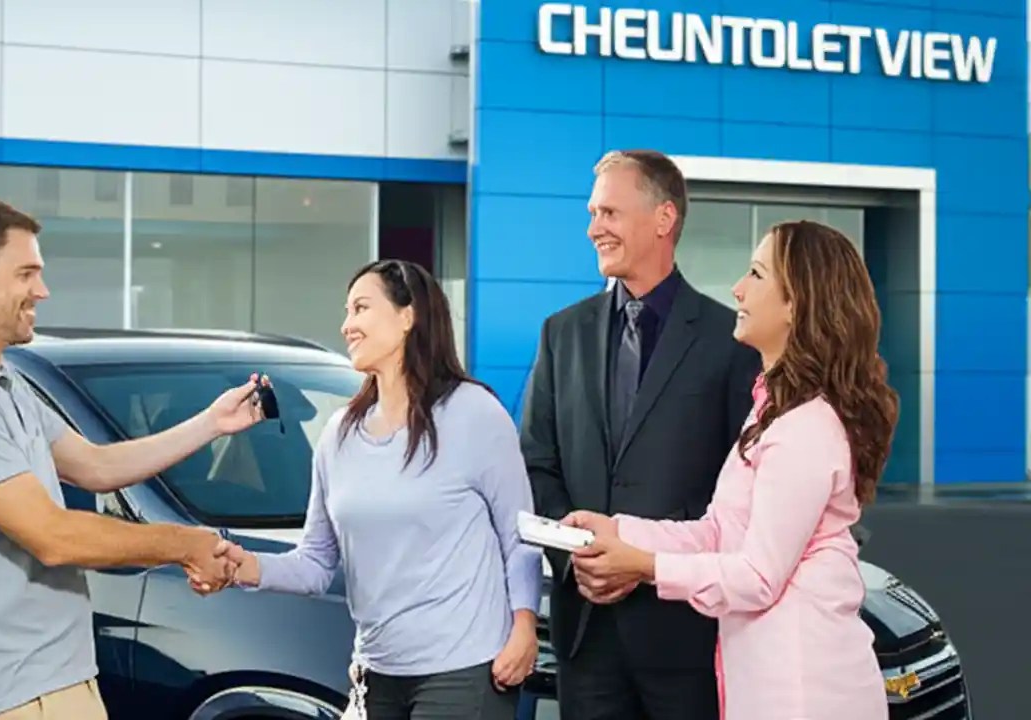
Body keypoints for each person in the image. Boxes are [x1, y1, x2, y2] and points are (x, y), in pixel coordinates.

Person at [0, 194, 265, 720]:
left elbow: (95, 466)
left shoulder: (3, 383)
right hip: (18, 700)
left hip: (58, 686)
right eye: (26, 274)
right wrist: (184, 544)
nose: (42, 290)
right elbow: (55, 537)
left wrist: (211, 423)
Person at [562, 220, 898, 720]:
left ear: (796, 304)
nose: (738, 289)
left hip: (805, 692)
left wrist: (644, 565)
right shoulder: (773, 413)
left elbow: (757, 576)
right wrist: (620, 531)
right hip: (769, 682)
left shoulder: (805, 427)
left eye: (757, 274)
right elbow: (720, 532)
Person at [210, 259, 544, 720]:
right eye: (346, 311)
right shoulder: (339, 434)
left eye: (361, 308)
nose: (347, 325)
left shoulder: (474, 413)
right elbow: (315, 563)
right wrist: (242, 566)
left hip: (464, 670)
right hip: (376, 673)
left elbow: (519, 534)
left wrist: (524, 626)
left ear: (408, 316)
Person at [519, 149, 760, 720]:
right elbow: (536, 463)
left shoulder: (731, 341)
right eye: (592, 214)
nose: (593, 228)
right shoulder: (561, 333)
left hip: (688, 635)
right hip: (587, 634)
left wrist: (642, 559)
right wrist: (580, 558)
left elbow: (744, 484)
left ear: (663, 218)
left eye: (609, 212)